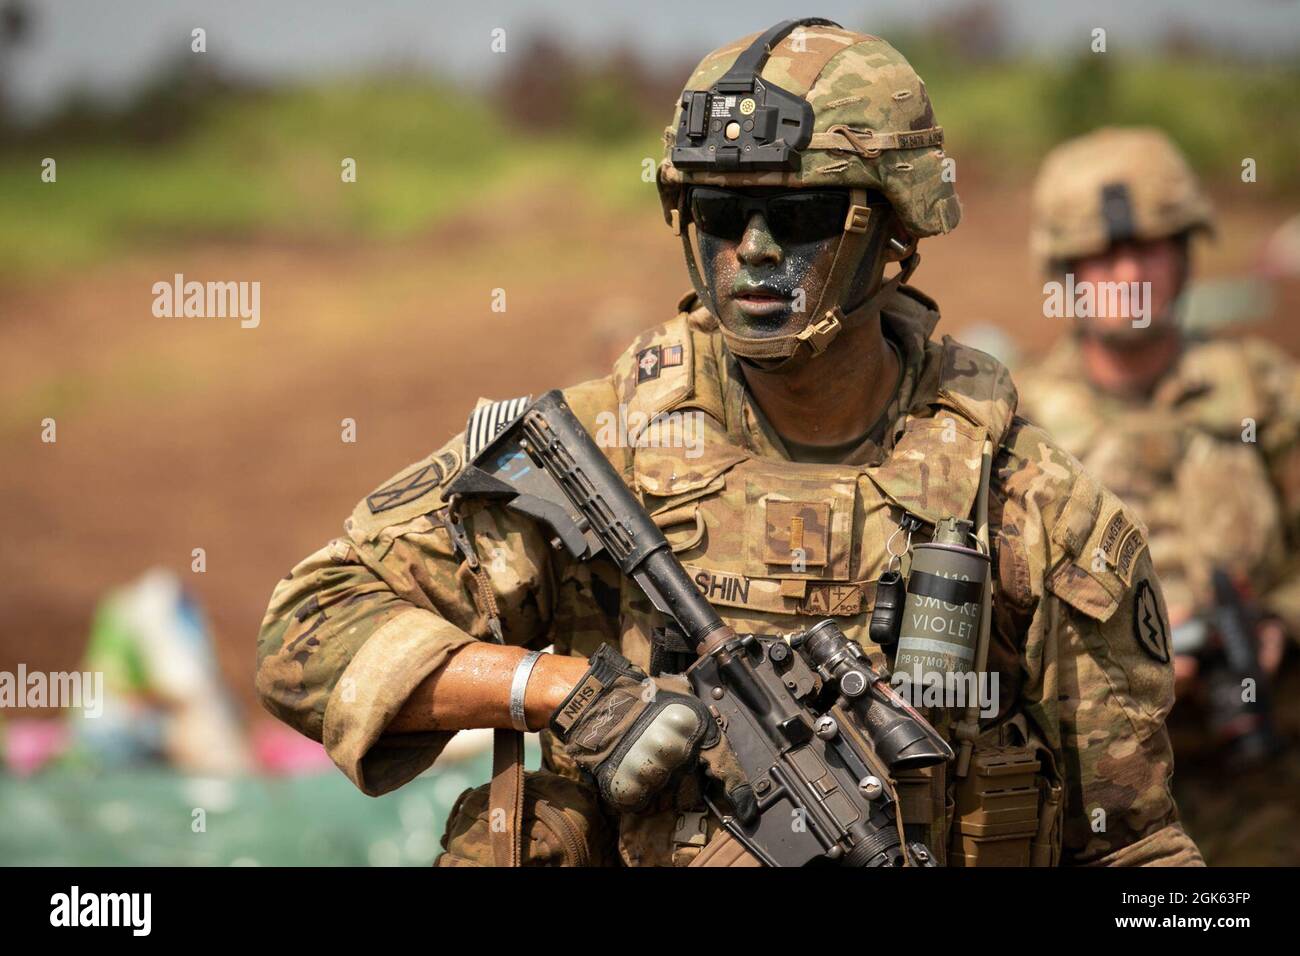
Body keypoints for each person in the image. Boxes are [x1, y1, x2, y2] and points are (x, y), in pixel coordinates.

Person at [256, 21, 1201, 866]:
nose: (751, 250)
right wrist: (556, 691)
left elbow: (1136, 844)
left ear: (896, 224)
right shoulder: (598, 453)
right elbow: (306, 632)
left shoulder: (1024, 501)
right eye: (717, 211)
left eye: (796, 217)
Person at [1017, 127, 1298, 767]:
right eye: (1102, 253)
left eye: (1150, 248)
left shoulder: (1264, 390)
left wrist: (1279, 623)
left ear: (1186, 254)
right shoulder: (1017, 424)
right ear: (1065, 267)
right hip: (1101, 797)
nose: (1128, 274)